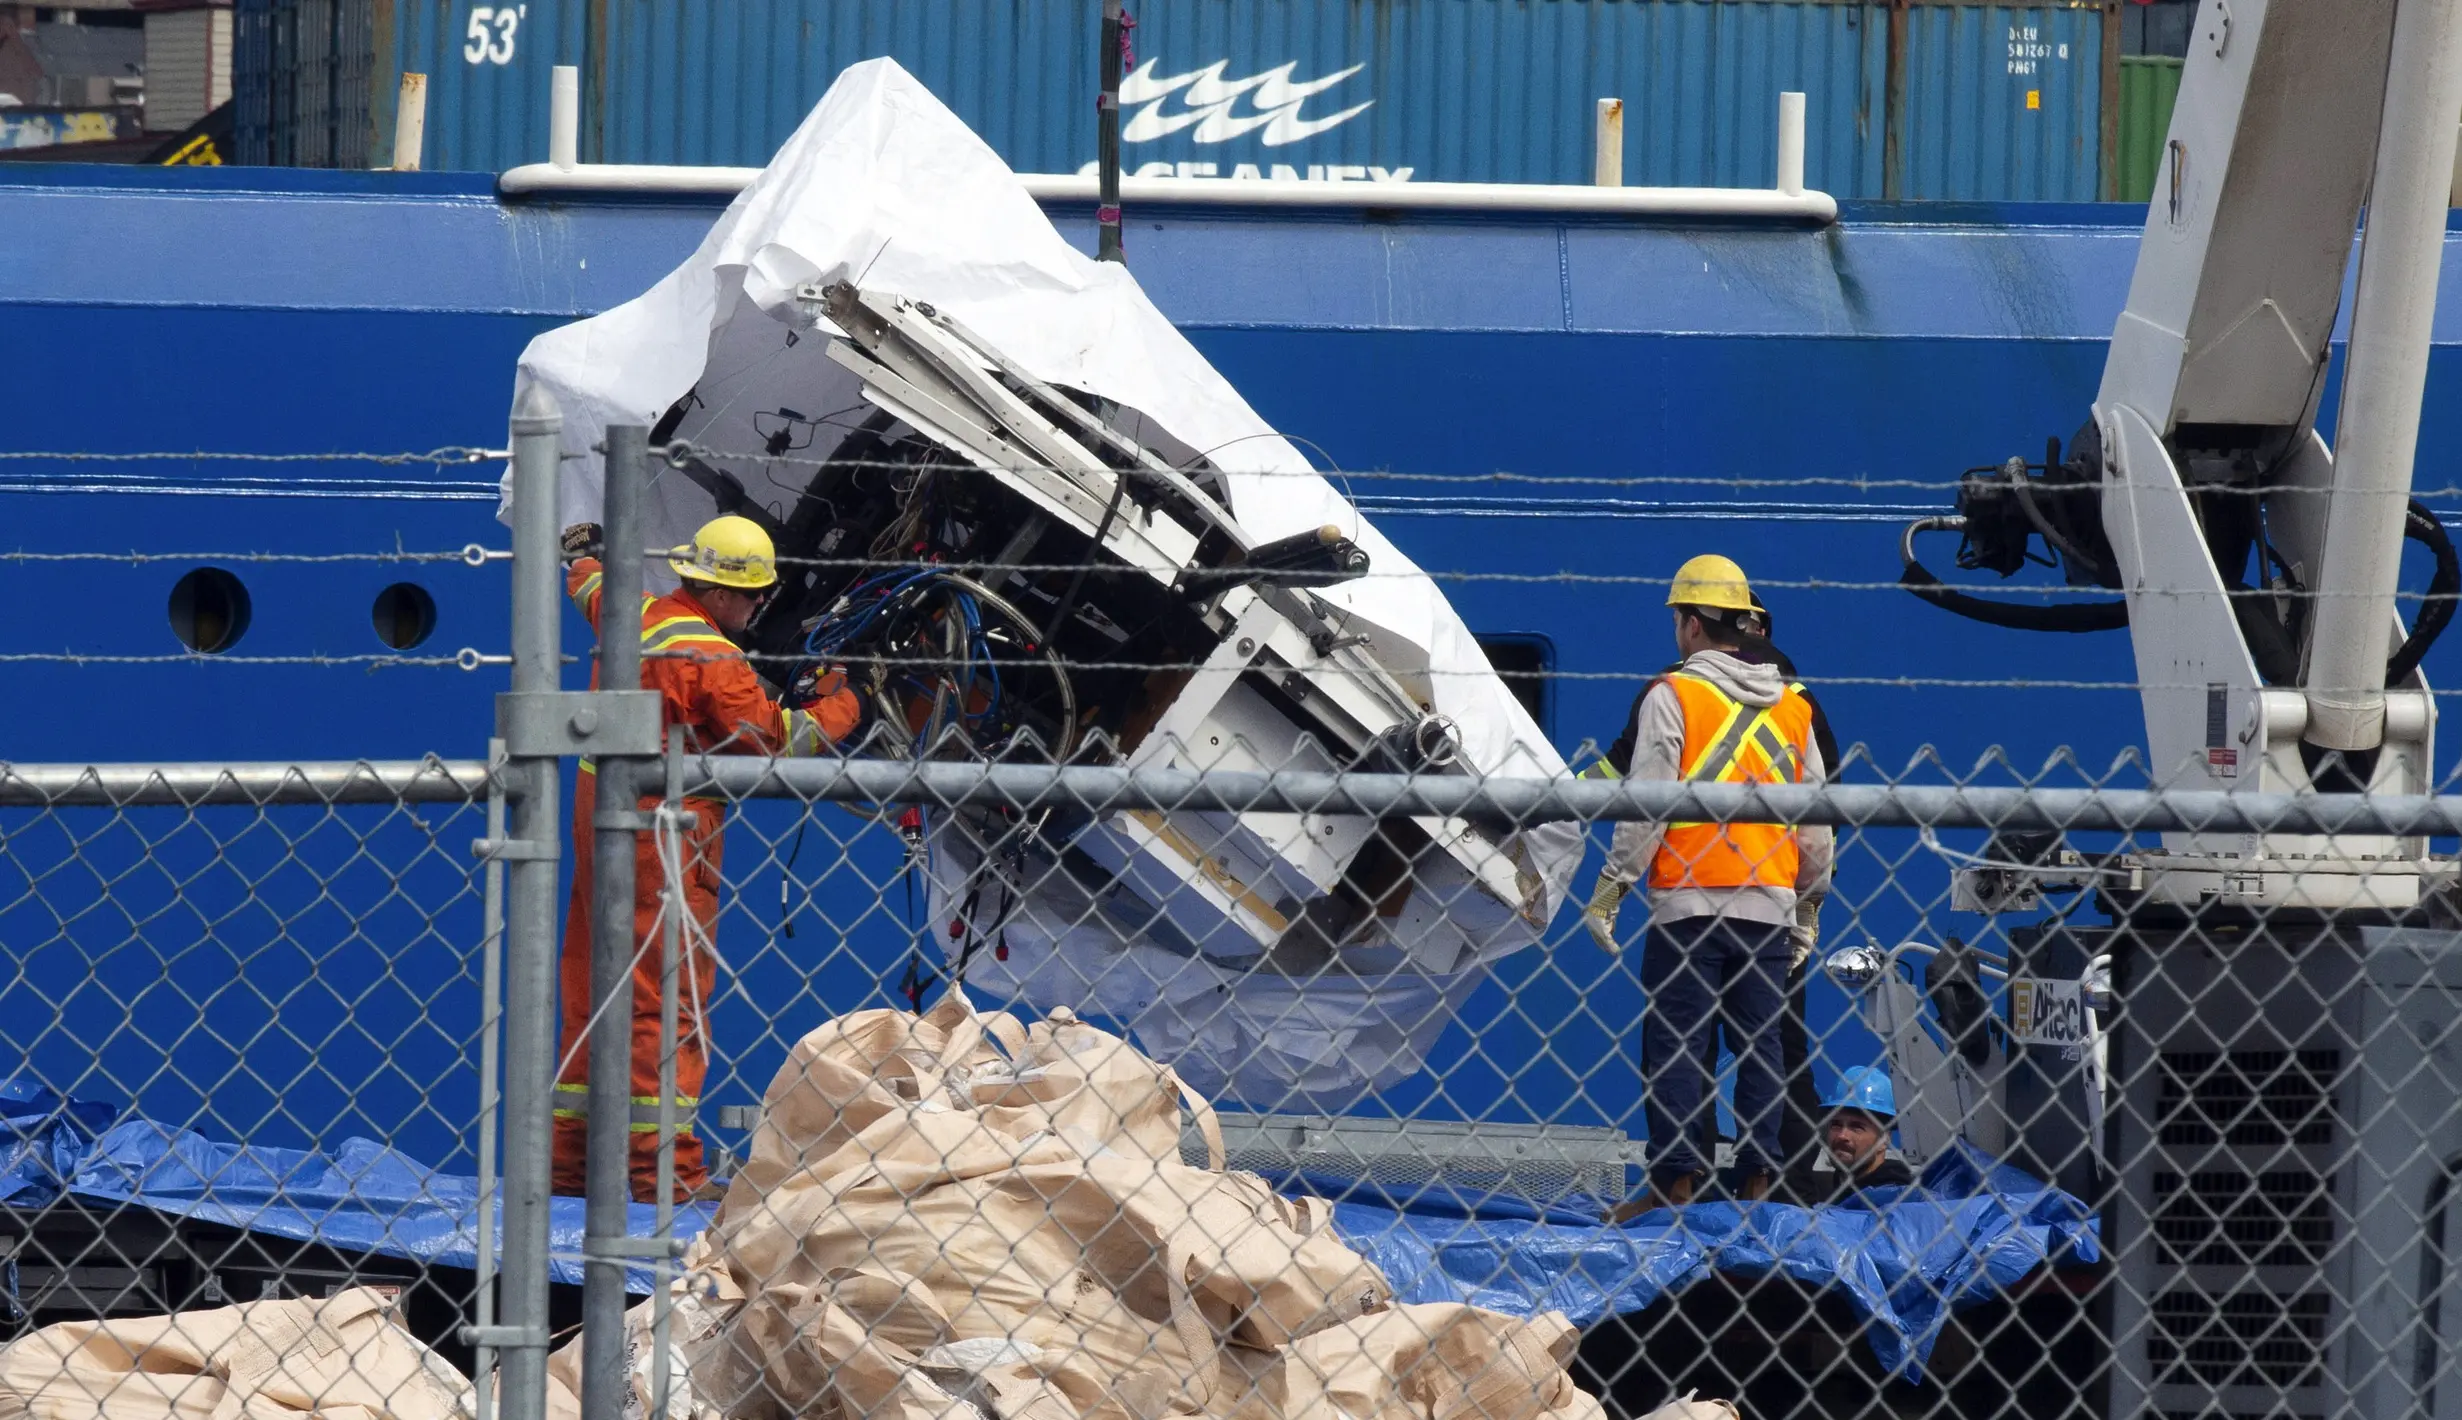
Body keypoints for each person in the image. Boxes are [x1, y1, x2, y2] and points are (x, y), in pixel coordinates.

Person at [553, 514, 863, 1201]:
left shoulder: (635, 611)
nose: (759, 607)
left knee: (592, 992)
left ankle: (569, 1171)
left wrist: (582, 555)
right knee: (666, 1002)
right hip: (665, 834)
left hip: (597, 811)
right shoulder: (712, 658)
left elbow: (590, 585)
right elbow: (776, 741)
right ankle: (663, 1175)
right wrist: (847, 701)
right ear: (721, 592)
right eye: (753, 596)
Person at [1581, 554, 1833, 1214]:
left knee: (1676, 1046)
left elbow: (1648, 802)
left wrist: (1612, 887)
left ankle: (1675, 1186)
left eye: (1677, 619)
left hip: (1688, 906)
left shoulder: (1673, 694)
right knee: (1763, 1048)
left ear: (1692, 623)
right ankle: (1759, 1185)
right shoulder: (1793, 707)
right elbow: (1815, 820)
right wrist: (1810, 903)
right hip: (1769, 906)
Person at [1818, 1066, 1915, 1195]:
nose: (1842, 1135)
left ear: (1884, 1139)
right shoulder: (1842, 1182)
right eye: (1836, 1125)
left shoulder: (1894, 1193)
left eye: (1856, 1127)